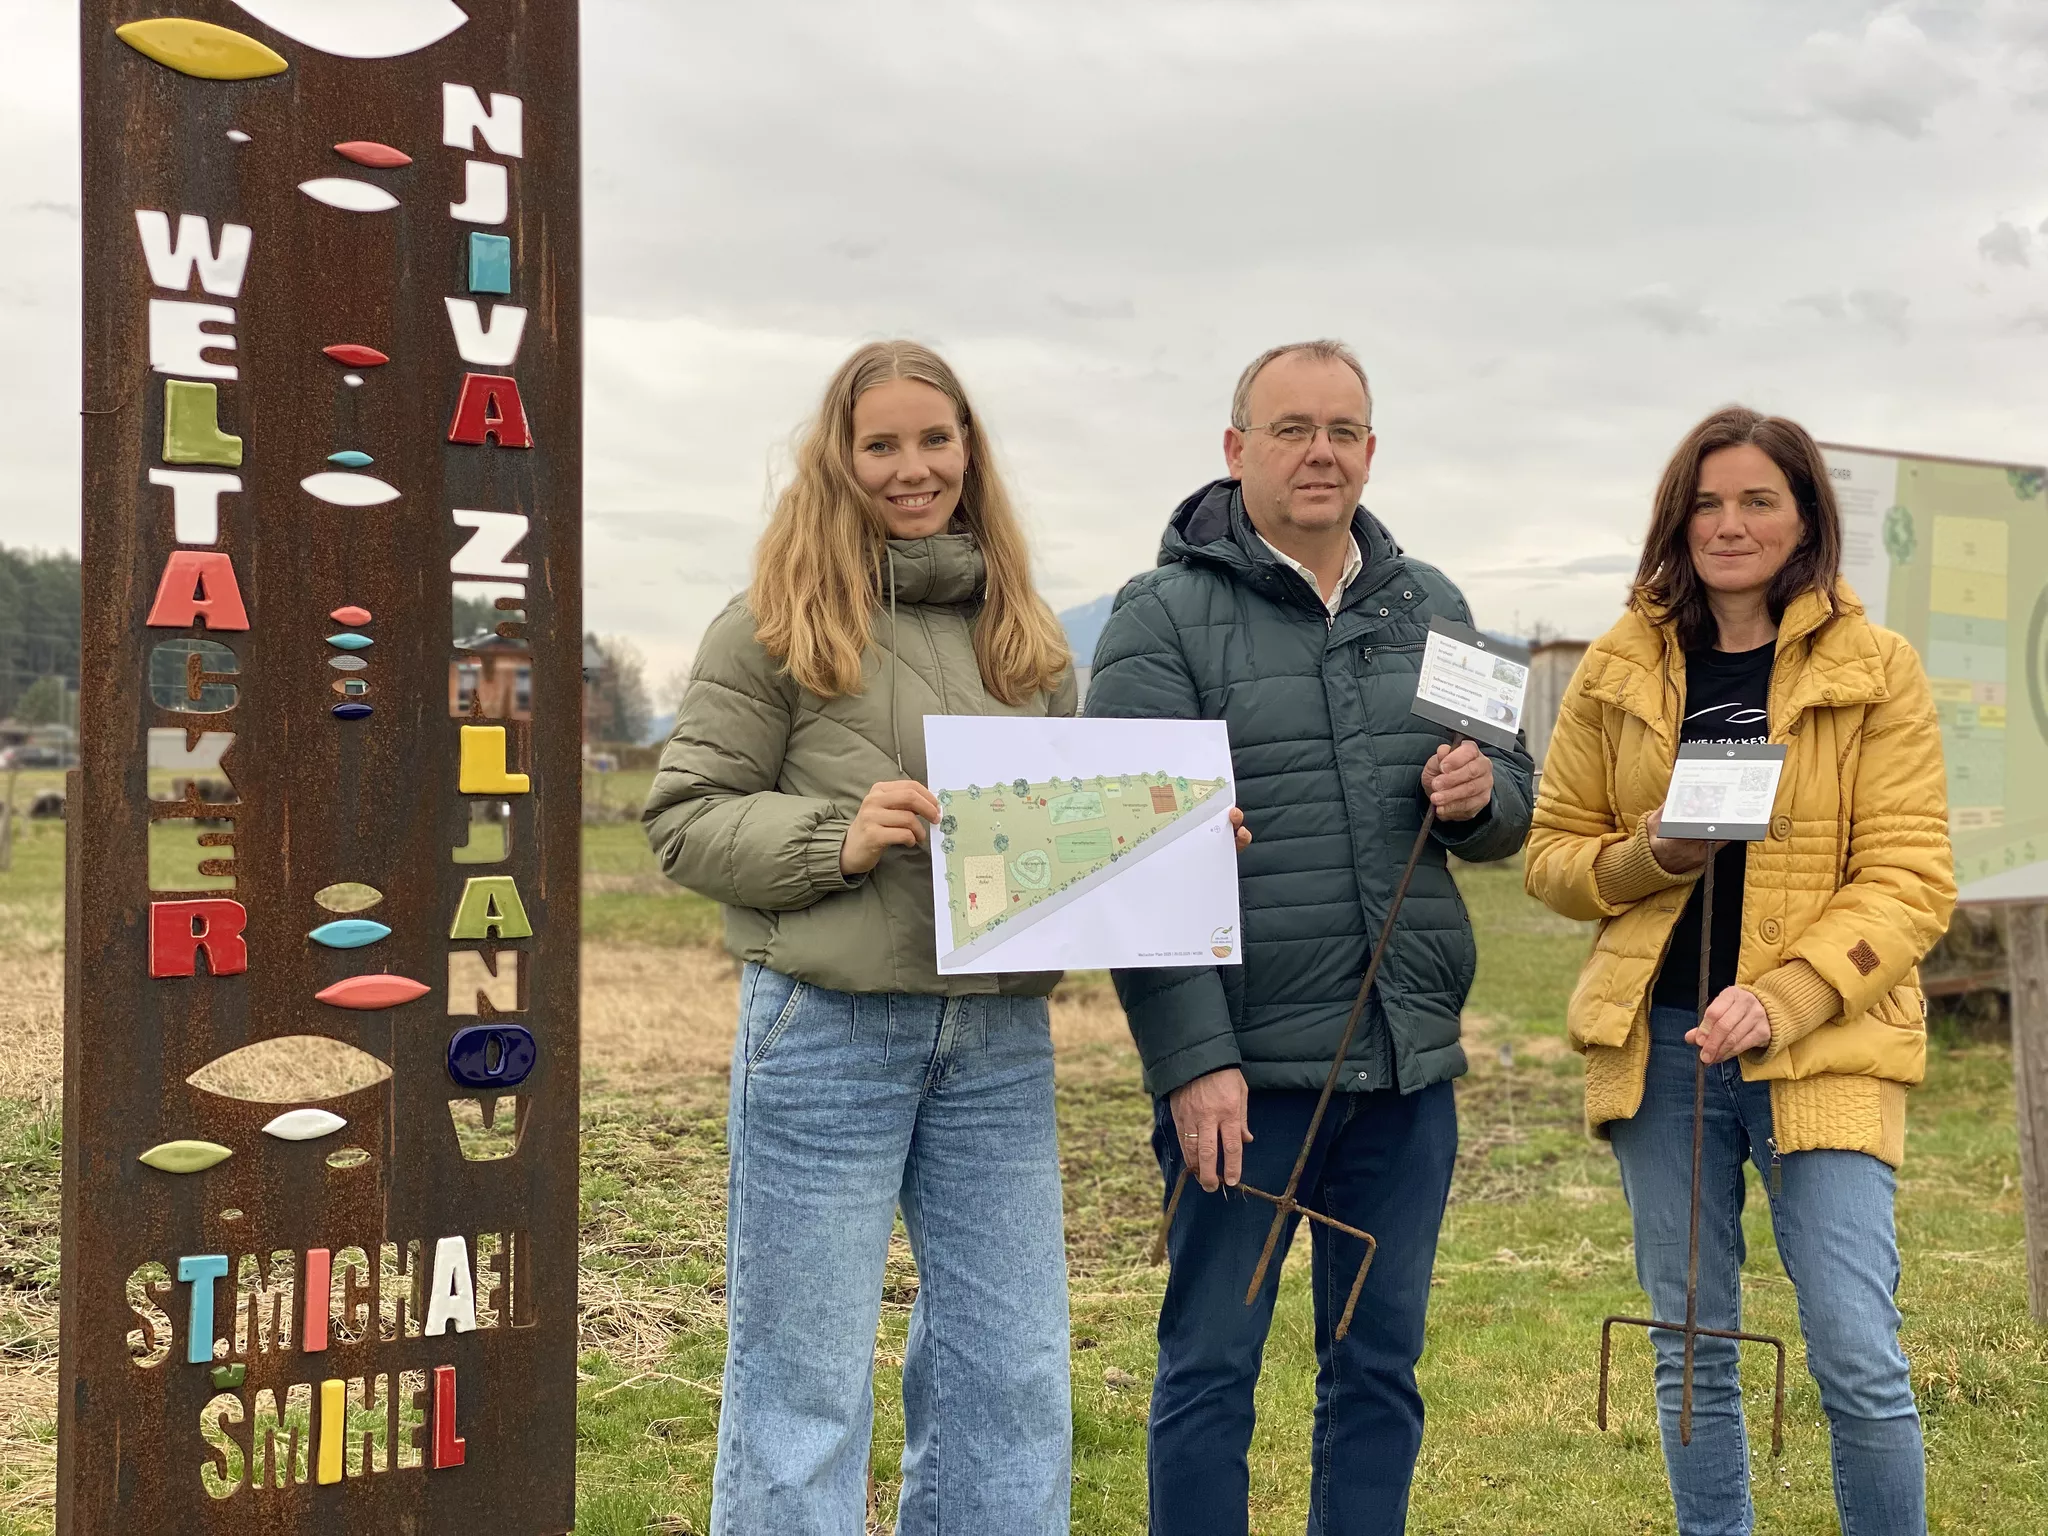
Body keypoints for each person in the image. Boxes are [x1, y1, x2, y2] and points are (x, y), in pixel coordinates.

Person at [643, 341, 1095, 1535]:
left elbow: (1067, 830)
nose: (912, 468)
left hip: (997, 1043)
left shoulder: (1028, 642)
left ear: (969, 453)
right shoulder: (772, 625)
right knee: (802, 1387)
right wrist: (836, 838)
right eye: (881, 444)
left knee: (1013, 1376)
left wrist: (1170, 846)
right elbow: (682, 821)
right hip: (826, 1035)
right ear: (838, 461)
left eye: (934, 440)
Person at [1085, 339, 1535, 1535]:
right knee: (1209, 1369)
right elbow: (1122, 863)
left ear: (1371, 451)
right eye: (1290, 428)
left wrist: (1481, 797)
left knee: (1378, 1368)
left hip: (1402, 1064)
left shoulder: (1430, 604)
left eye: (1342, 429)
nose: (1319, 451)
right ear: (1234, 451)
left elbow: (1513, 804)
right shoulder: (1160, 616)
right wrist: (1191, 1061)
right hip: (1245, 1073)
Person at [1525, 406, 1955, 1535]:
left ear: (1804, 516)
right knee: (1689, 1351)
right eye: (1706, 502)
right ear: (1677, 520)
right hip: (1661, 1050)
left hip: (1822, 1044)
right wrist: (1647, 854)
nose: (1729, 523)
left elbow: (1908, 877)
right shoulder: (1617, 668)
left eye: (1757, 499)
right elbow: (1551, 858)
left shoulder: (1876, 670)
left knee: (1857, 1355)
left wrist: (1784, 995)